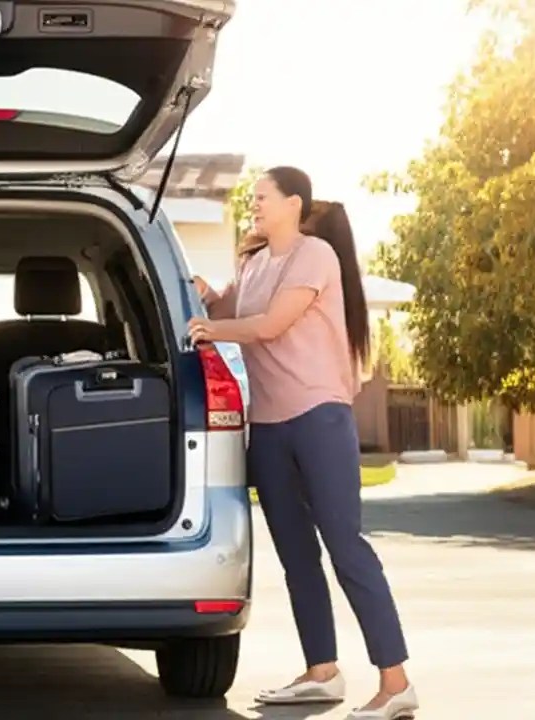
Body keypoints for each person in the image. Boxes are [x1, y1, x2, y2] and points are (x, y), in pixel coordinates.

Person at [187, 167, 417, 720]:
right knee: (297, 557)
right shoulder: (255, 262)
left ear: (294, 203)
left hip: (318, 419)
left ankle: (395, 682)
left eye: (262, 197)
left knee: (346, 549)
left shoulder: (315, 256)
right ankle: (322, 672)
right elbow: (229, 311)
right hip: (267, 427)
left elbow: (270, 326)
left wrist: (212, 330)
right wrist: (204, 294)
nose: (254, 205)